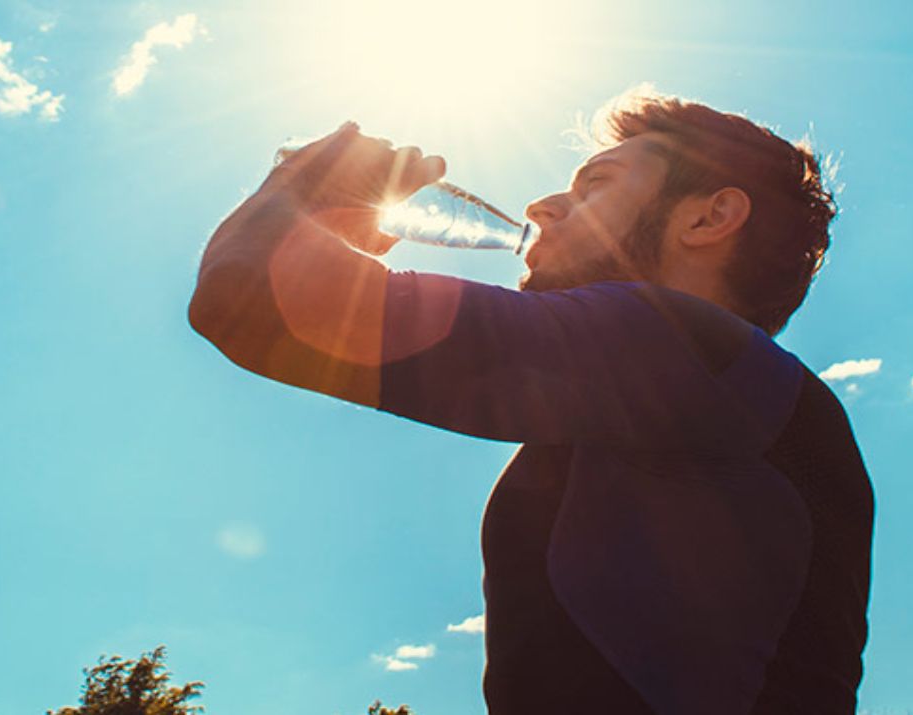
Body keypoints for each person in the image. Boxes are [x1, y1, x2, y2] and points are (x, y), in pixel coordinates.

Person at [187, 86, 874, 715]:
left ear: (707, 217)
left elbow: (249, 298)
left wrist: (301, 183)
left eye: (594, 185)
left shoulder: (684, 346)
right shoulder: (689, 392)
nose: (540, 208)